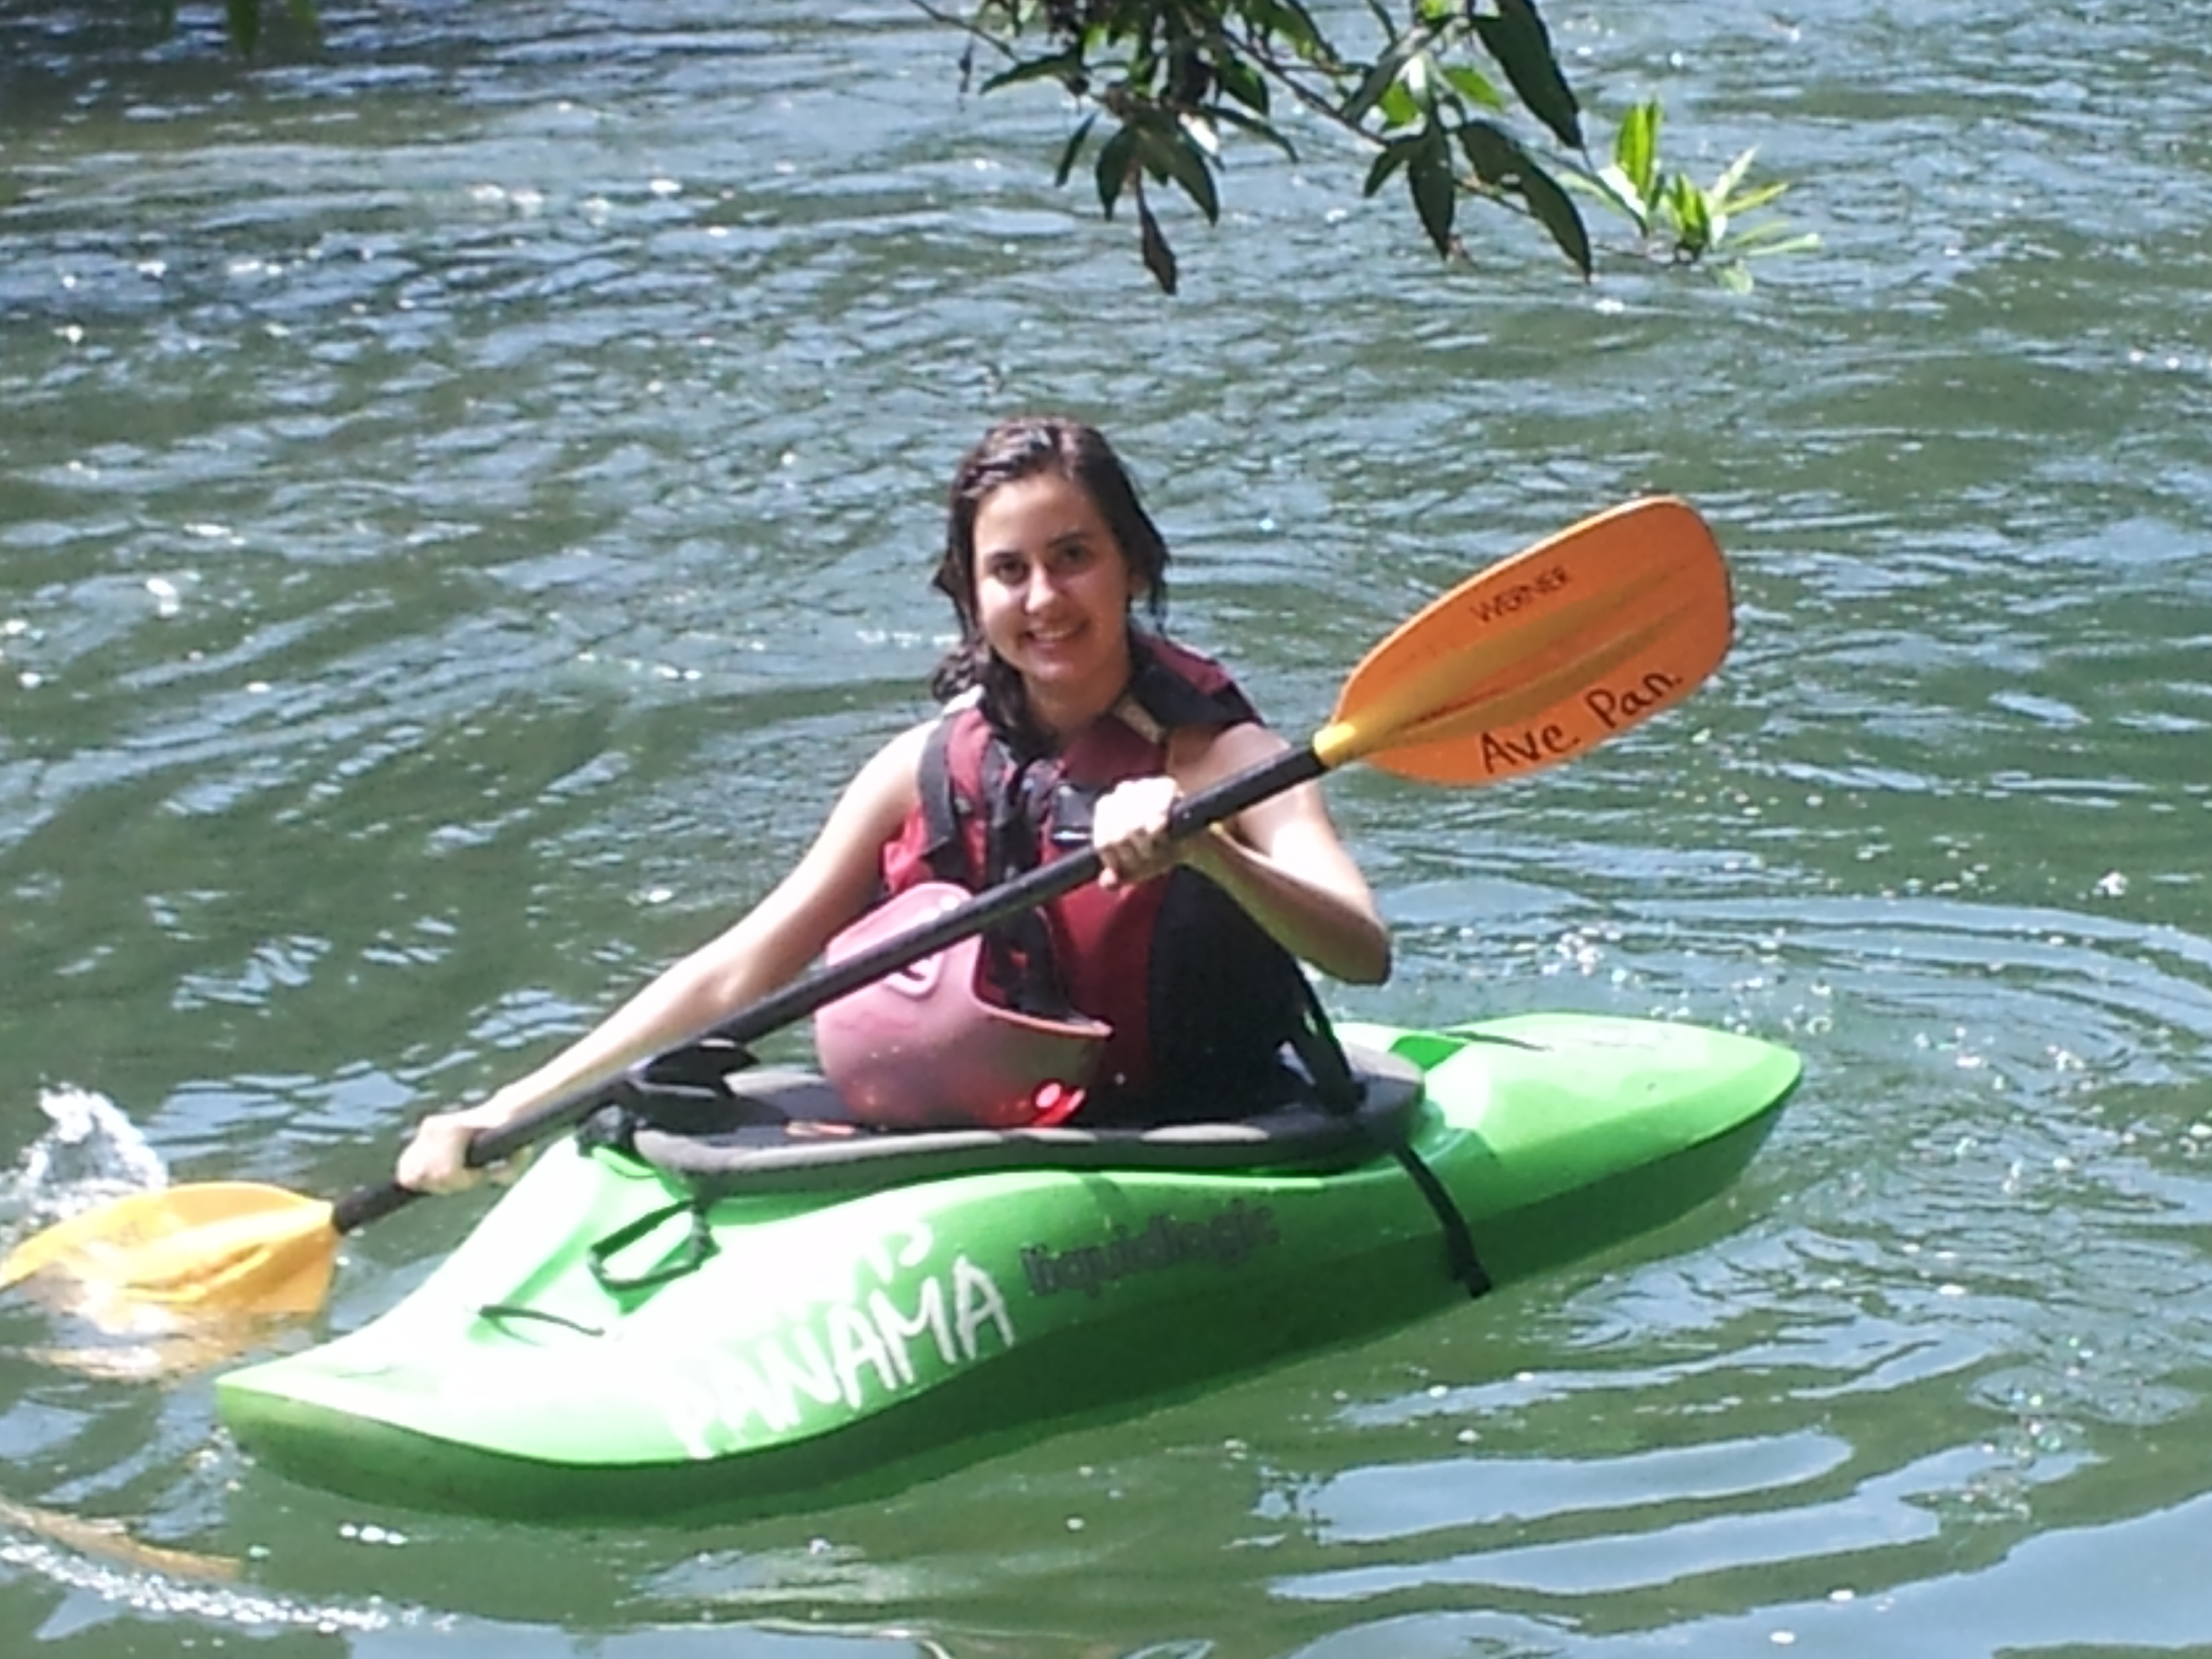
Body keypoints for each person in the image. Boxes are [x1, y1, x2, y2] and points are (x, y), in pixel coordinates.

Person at [398, 415, 1389, 1193]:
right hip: (981, 1128)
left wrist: (1209, 851)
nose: (1044, 597)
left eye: (1074, 556)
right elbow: (743, 967)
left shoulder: (1227, 758)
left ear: (1132, 565)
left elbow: (1362, 951)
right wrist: (513, 1105)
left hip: (1206, 1131)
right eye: (1009, 570)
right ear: (971, 593)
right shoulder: (923, 767)